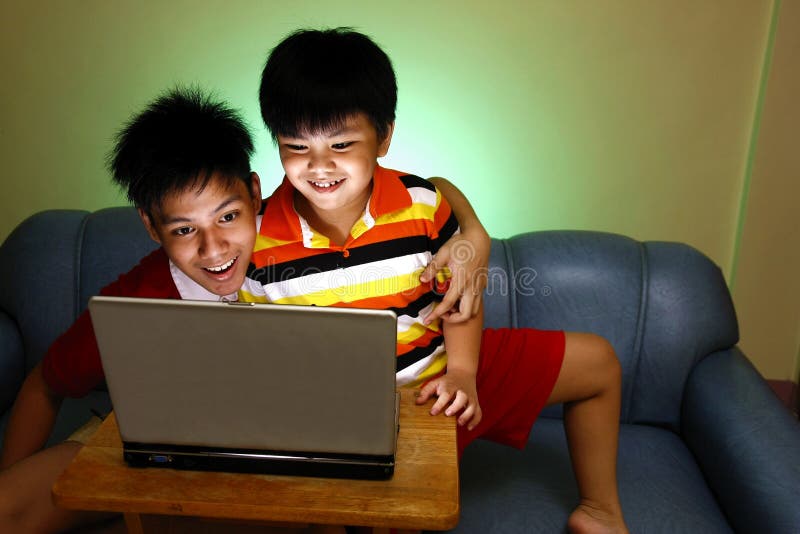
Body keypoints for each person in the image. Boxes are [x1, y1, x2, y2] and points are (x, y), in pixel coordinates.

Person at [0, 85, 488, 533]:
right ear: (151, 226)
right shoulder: (142, 294)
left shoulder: (296, 237)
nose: (214, 250)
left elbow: (423, 189)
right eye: (184, 230)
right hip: (159, 451)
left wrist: (472, 232)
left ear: (254, 195)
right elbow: (46, 381)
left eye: (228, 217)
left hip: (282, 460)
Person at [249, 28, 628, 534]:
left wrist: (465, 373)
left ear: (384, 136)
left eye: (341, 144)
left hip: (443, 374)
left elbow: (459, 297)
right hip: (346, 418)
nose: (320, 167)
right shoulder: (255, 239)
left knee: (598, 361)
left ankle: (601, 512)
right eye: (296, 146)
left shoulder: (421, 203)